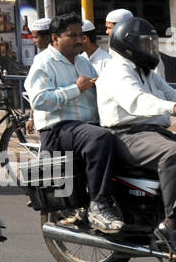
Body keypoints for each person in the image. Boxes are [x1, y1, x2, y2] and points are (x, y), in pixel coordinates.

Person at [96, 16, 176, 259]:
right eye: (146, 44)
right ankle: (171, 223)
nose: (151, 49)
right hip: (127, 135)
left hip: (152, 133)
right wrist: (174, 108)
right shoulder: (117, 70)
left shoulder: (146, 71)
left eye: (152, 44)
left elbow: (172, 94)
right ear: (129, 44)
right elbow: (137, 101)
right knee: (175, 153)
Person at [24, 14, 124, 233]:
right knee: (100, 138)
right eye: (72, 35)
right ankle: (98, 203)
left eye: (81, 35)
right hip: (58, 129)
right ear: (55, 38)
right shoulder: (44, 62)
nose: (79, 40)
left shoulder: (83, 62)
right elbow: (39, 100)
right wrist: (75, 89)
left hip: (87, 127)